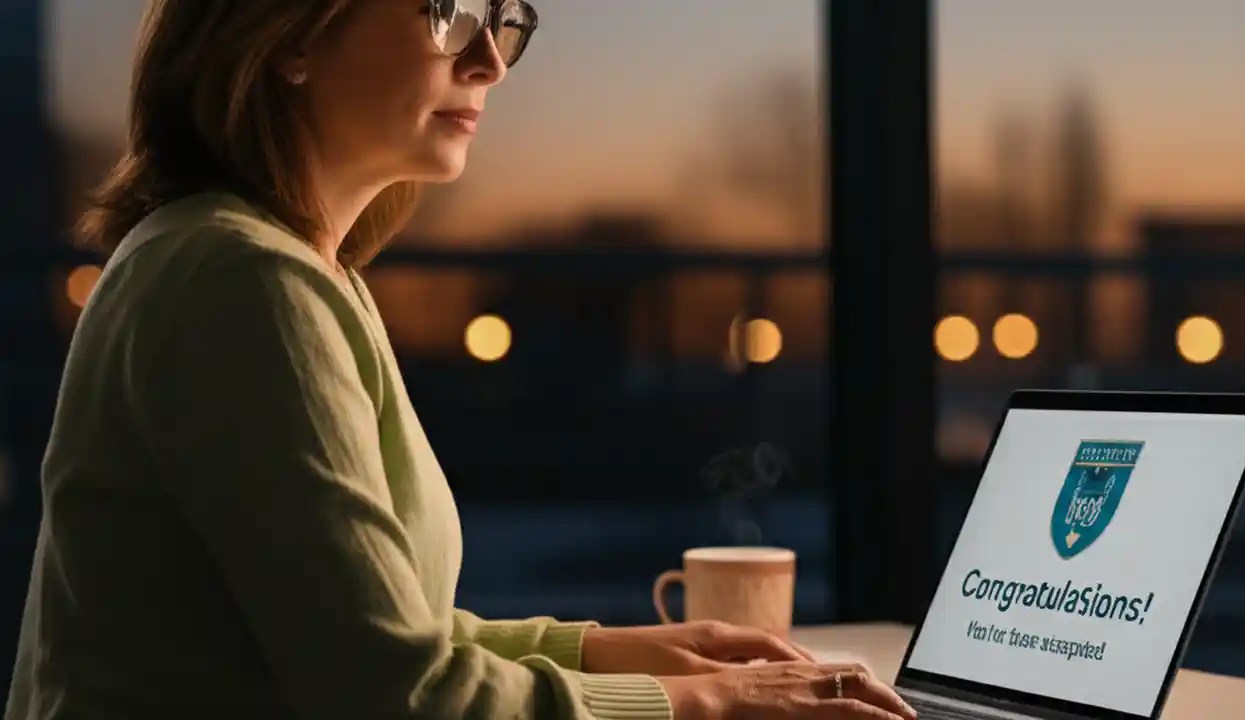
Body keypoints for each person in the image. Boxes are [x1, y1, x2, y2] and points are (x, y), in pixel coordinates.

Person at [4, 2, 916, 719]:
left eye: (502, 20)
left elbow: (374, 639)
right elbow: (399, 697)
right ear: (288, 34)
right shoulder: (237, 280)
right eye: (445, 12)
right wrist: (702, 702)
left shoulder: (294, 271)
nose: (488, 63)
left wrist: (605, 651)